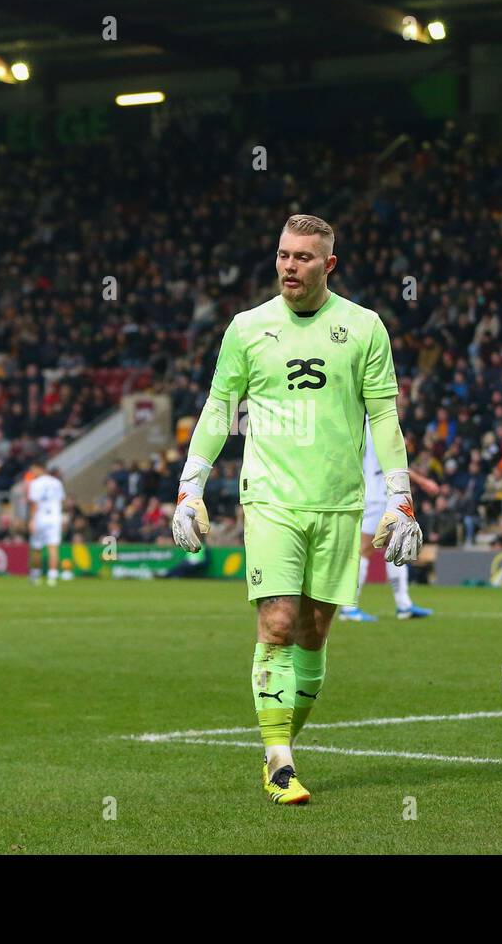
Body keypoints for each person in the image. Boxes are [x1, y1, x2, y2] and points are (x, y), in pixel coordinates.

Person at [170, 214, 422, 806]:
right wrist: (190, 486)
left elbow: (384, 416)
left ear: (328, 264)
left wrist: (402, 497)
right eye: (283, 254)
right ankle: (280, 762)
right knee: (279, 622)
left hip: (337, 502)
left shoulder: (364, 328)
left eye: (303, 257)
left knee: (313, 633)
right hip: (271, 499)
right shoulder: (247, 328)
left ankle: (277, 738)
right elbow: (217, 409)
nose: (289, 265)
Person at [339, 415, 438, 622]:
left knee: (399, 544)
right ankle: (349, 608)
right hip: (374, 496)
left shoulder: (365, 421)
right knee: (364, 549)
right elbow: (391, 463)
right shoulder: (373, 422)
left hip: (385, 494)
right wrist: (422, 481)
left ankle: (404, 605)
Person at [27, 462, 66, 586]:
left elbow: (34, 504)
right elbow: (61, 501)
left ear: (40, 469)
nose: (32, 473)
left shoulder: (35, 483)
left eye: (33, 470)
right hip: (55, 517)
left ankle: (36, 576)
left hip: (40, 517)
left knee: (37, 548)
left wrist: (32, 520)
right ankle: (52, 577)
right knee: (53, 547)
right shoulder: (57, 482)